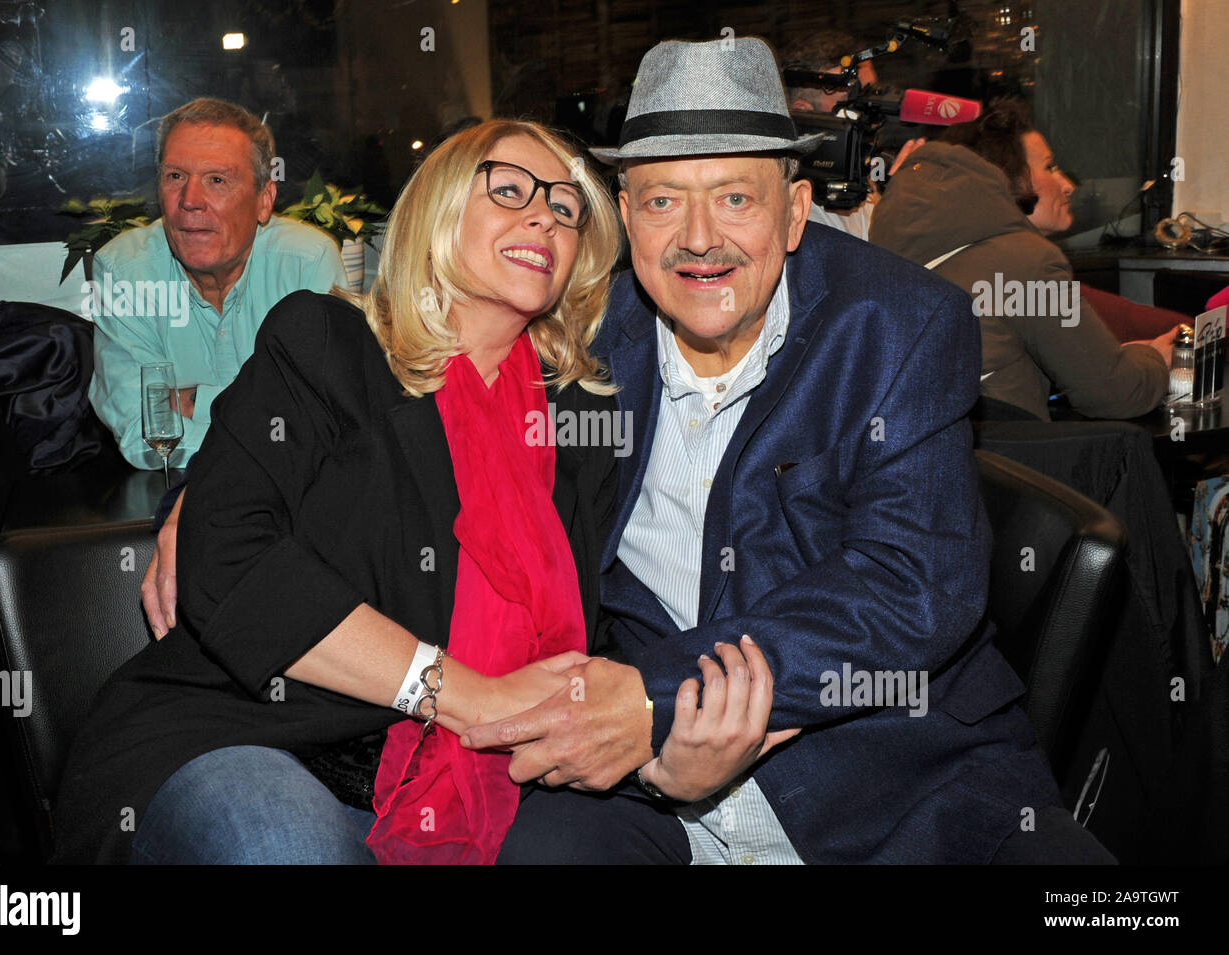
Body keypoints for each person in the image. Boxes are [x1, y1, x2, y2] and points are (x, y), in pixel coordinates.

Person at [54, 118, 783, 865]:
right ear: (437, 207)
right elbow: (231, 555)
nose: (545, 215)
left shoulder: (580, 419)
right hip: (249, 733)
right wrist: (467, 694)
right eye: (510, 189)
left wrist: (667, 760)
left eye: (566, 208)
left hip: (490, 767)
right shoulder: (327, 344)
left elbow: (593, 635)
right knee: (287, 849)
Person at [460, 38, 1113, 864]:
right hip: (639, 786)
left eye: (736, 197)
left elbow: (913, 587)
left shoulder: (901, 325)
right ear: (626, 218)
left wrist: (662, 696)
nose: (700, 240)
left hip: (893, 777)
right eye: (664, 202)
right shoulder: (578, 340)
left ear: (797, 210)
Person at [870, 99, 1175, 421]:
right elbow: (1113, 394)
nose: (1068, 186)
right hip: (1004, 461)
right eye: (1049, 166)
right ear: (1009, 176)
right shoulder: (1028, 262)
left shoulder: (891, 247)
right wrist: (1157, 359)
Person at [88, 97, 347, 470]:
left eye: (217, 180)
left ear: (264, 200)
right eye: (175, 176)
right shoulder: (125, 271)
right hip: (184, 490)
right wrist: (266, 424)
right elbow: (143, 434)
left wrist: (195, 402)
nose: (190, 201)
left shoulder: (306, 264)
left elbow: (326, 422)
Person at [784, 29, 925, 240]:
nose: (874, 120)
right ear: (805, 114)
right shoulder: (789, 209)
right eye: (856, 105)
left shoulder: (862, 181)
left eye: (873, 99)